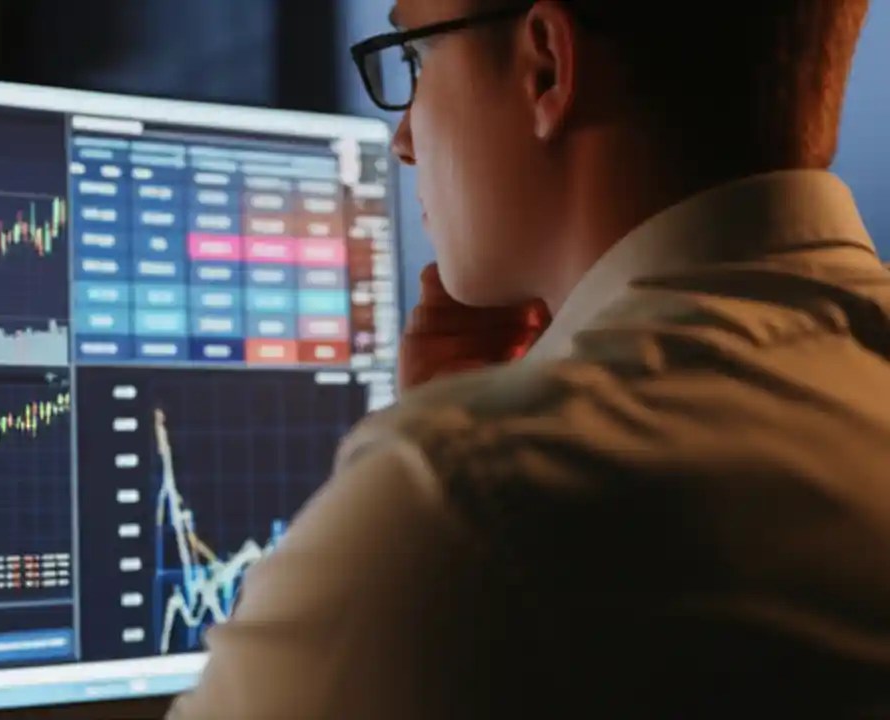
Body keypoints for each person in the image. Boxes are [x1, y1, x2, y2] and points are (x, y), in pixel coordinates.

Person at [167, 0, 890, 717]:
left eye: (415, 57)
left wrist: (435, 471)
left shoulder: (470, 502)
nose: (404, 141)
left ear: (546, 68)